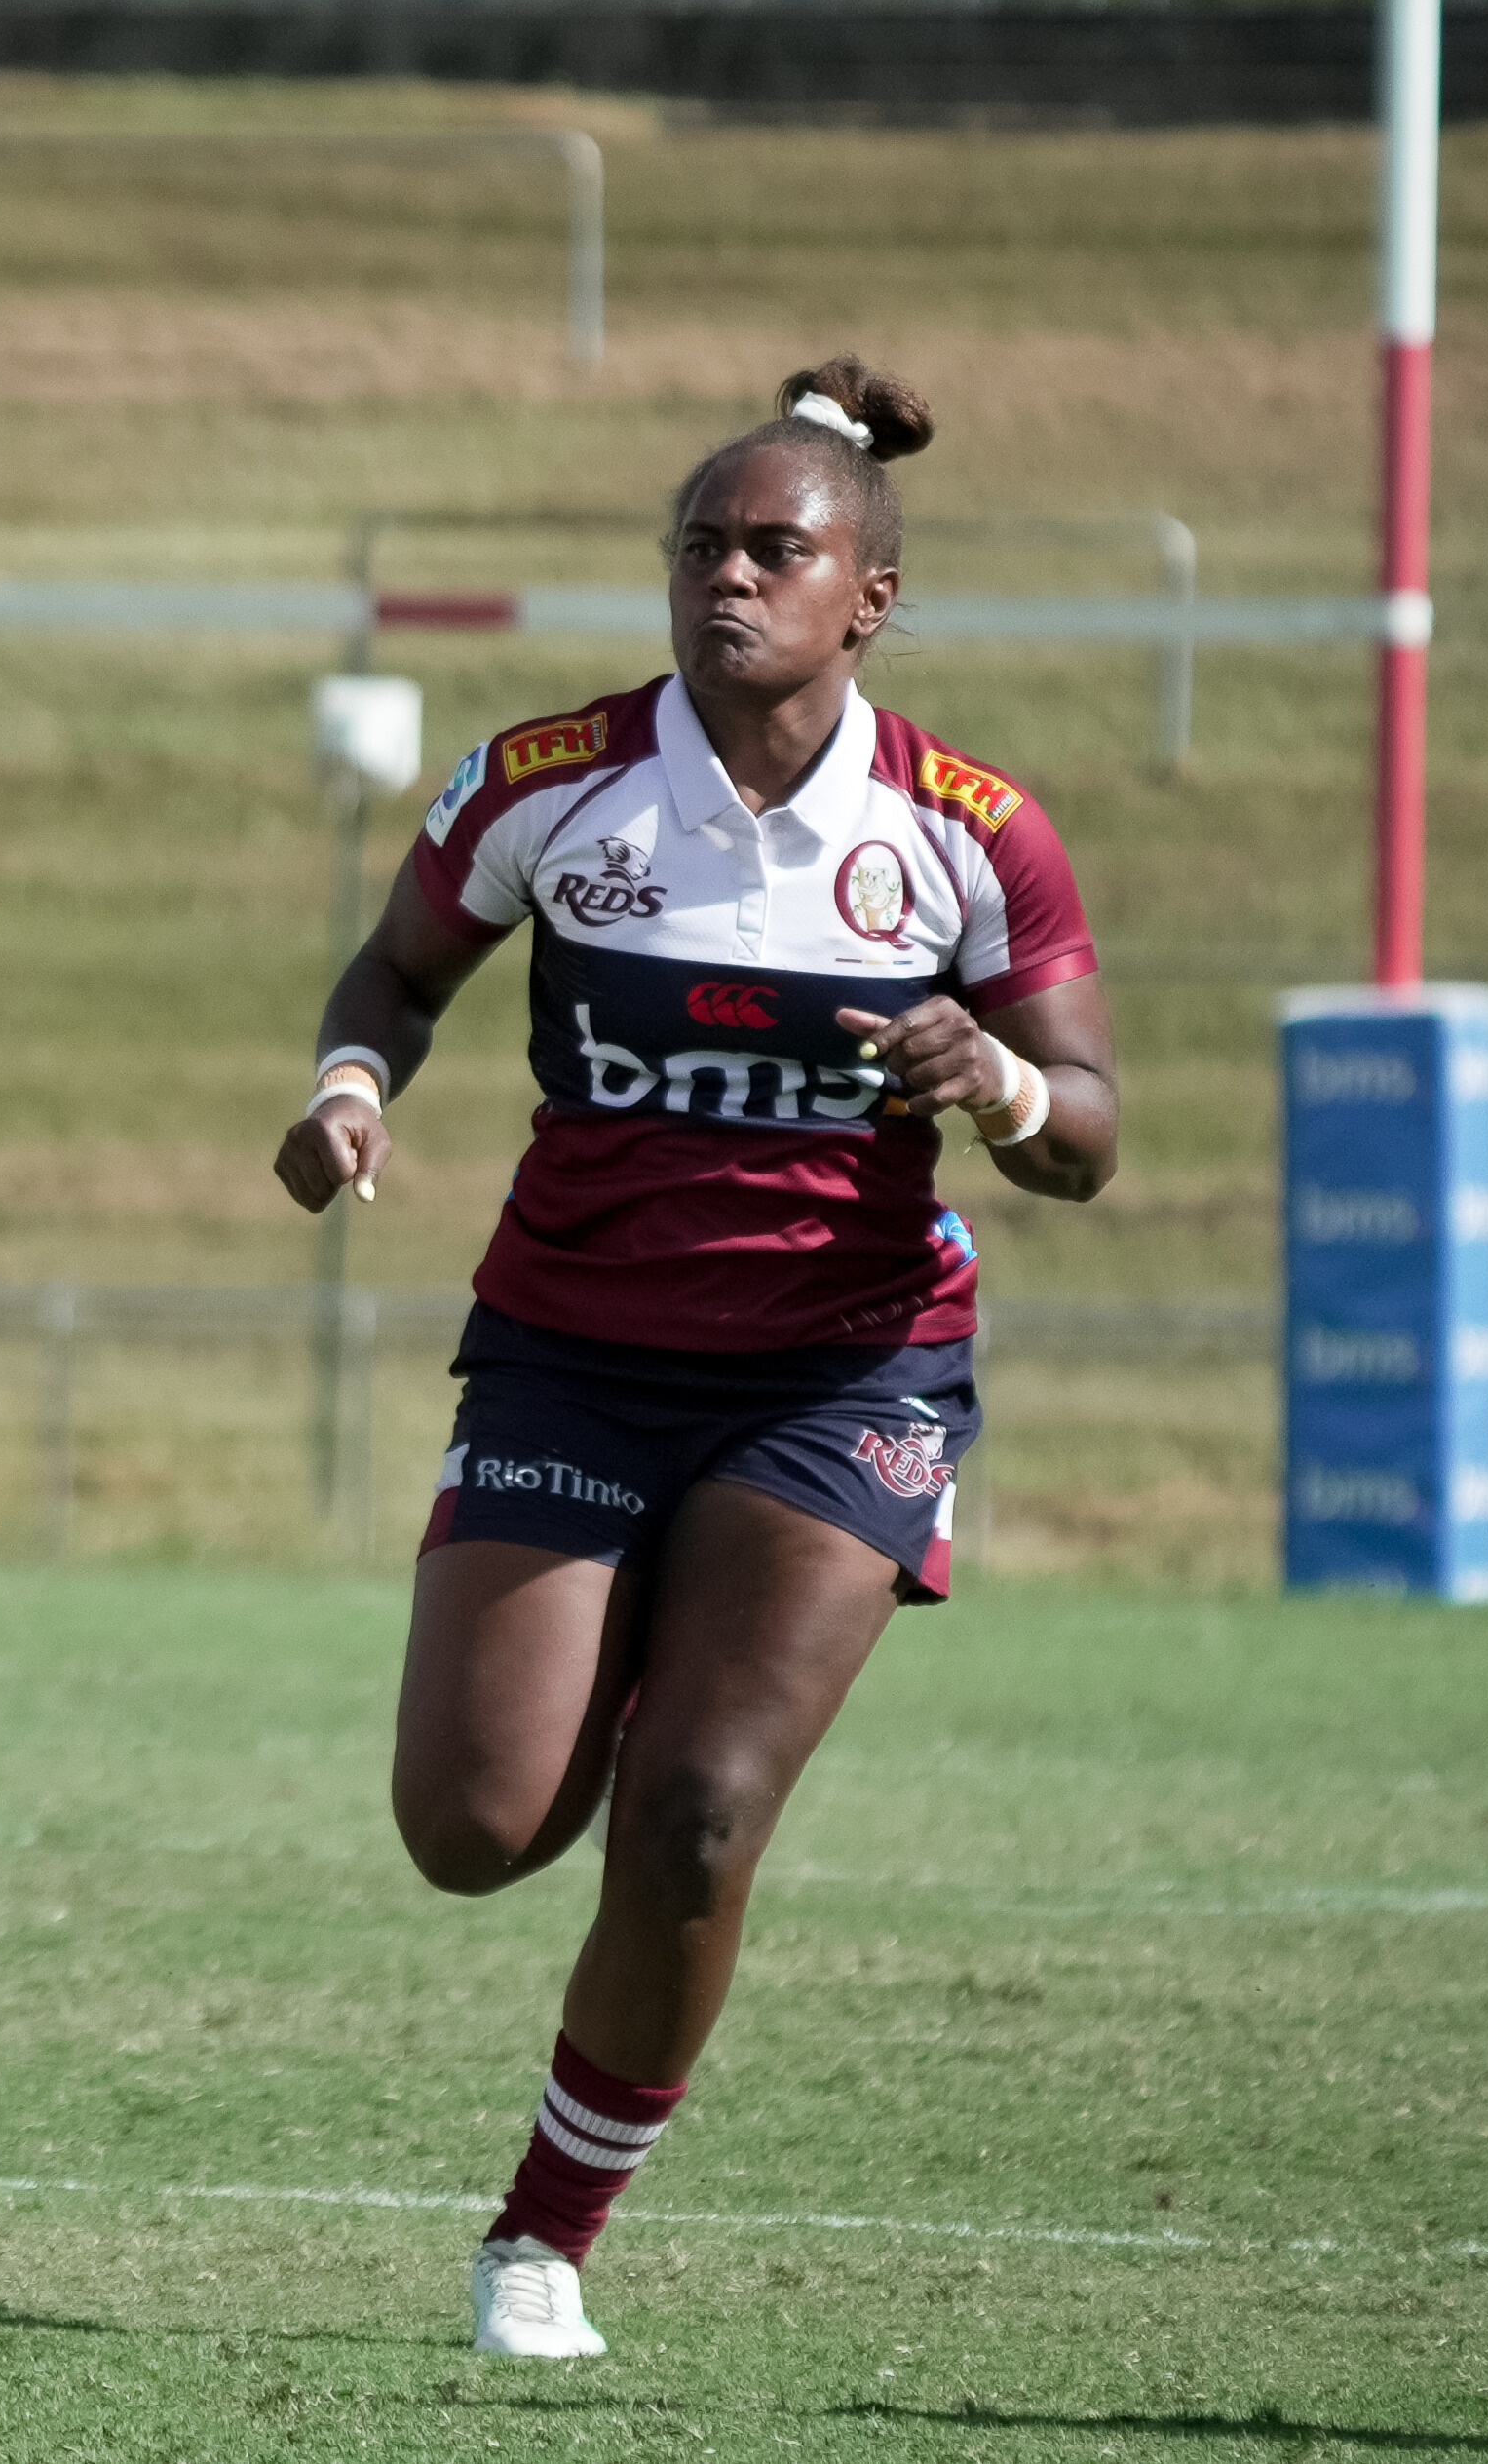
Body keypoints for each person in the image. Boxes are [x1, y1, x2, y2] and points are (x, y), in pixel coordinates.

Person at [271, 360, 1113, 2361]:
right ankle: (616, 1649)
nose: (725, 578)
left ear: (865, 597)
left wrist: (987, 1072)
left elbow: (1084, 1132)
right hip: (571, 1356)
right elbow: (397, 967)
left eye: (774, 548)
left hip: (841, 1377)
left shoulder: (969, 835)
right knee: (472, 1832)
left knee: (702, 1807)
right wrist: (348, 1087)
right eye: (699, 547)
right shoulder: (548, 781)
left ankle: (538, 2240)